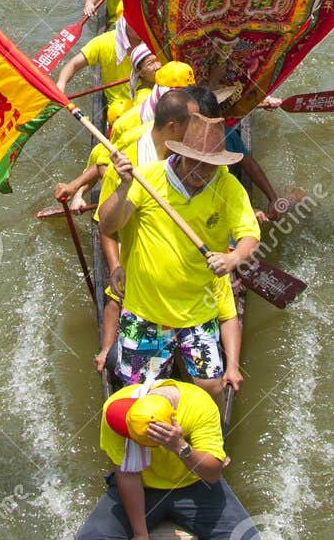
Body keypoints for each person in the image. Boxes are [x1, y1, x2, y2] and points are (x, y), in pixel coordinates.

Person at [99, 114, 259, 399]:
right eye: (194, 162)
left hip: (198, 310)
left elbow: (249, 236)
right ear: (180, 153)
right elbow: (109, 226)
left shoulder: (227, 187)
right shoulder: (148, 178)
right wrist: (123, 187)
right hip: (145, 311)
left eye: (210, 165)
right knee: (139, 396)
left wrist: (234, 259)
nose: (201, 171)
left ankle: (210, 439)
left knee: (211, 387)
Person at [73, 380, 261, 540]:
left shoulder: (199, 405)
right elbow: (127, 473)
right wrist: (140, 535)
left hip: (194, 485)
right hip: (143, 488)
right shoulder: (116, 411)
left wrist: (180, 447)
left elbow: (212, 473)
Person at [55, 21, 137, 126]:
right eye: (135, 20)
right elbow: (73, 65)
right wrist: (61, 84)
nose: (139, 26)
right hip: (118, 109)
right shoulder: (104, 42)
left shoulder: (155, 40)